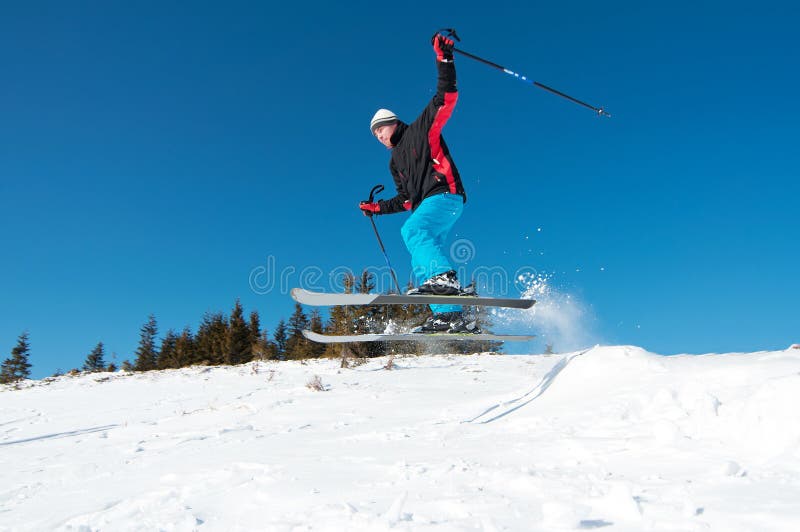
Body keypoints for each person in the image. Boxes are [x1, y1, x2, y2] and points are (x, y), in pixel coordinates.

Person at [359, 33, 479, 334]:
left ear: (393, 123)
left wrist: (444, 59)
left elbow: (445, 99)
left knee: (413, 230)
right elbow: (406, 200)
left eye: (379, 131)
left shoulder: (419, 131)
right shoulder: (394, 162)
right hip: (426, 204)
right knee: (420, 254)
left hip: (446, 196)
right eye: (375, 136)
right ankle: (449, 315)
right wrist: (377, 208)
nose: (379, 137)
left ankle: (445, 279)